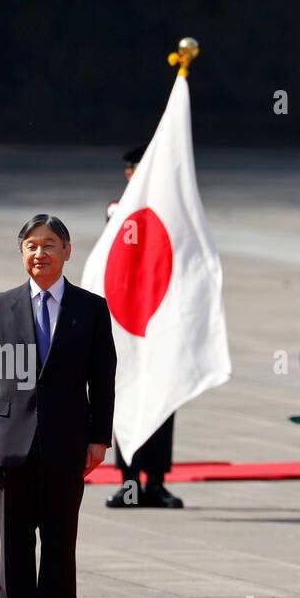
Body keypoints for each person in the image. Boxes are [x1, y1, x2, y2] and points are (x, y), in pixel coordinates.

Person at [0, 214, 116, 598]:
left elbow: (103, 377)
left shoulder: (90, 308)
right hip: (10, 441)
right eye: (31, 245)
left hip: (67, 441)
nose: (40, 254)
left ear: (67, 251)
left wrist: (99, 438)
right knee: (14, 538)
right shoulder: (1, 305)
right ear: (22, 253)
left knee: (58, 537)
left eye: (49, 245)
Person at [105, 144, 182, 509]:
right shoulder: (118, 211)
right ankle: (130, 481)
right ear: (130, 175)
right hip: (128, 323)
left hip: (162, 320)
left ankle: (156, 482)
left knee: (163, 401)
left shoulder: (172, 212)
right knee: (129, 398)